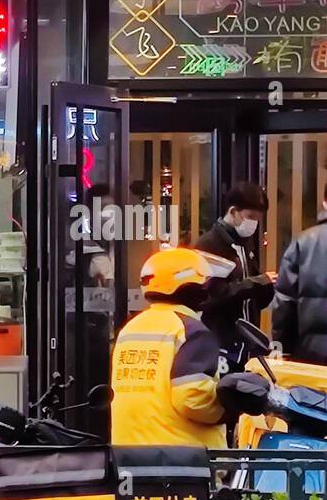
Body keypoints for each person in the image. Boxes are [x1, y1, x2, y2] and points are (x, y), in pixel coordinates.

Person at [110, 248, 232, 449]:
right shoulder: (191, 330)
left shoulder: (130, 328)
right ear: (190, 287)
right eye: (204, 282)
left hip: (129, 454)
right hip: (182, 459)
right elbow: (193, 399)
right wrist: (230, 408)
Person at [196, 183, 277, 366]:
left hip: (246, 341)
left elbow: (252, 297)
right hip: (221, 343)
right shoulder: (209, 245)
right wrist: (256, 283)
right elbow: (210, 295)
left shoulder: (245, 245)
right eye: (250, 217)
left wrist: (266, 287)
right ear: (233, 212)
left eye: (257, 218)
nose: (253, 224)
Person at [271, 183, 327, 365]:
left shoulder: (303, 244)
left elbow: (285, 304)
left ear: (324, 202)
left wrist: (282, 349)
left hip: (311, 357)